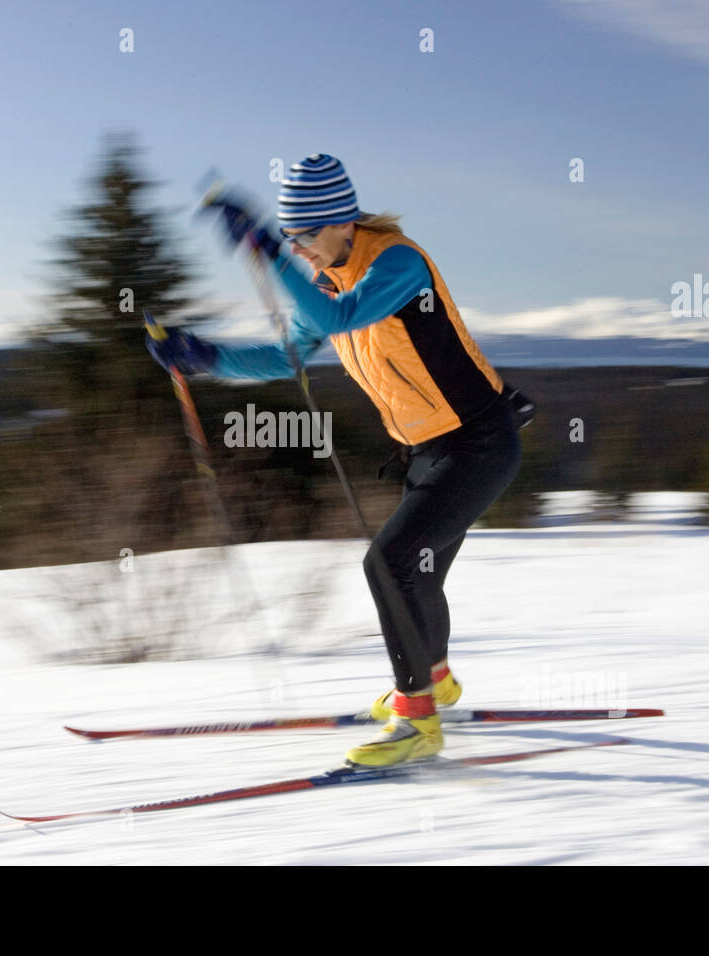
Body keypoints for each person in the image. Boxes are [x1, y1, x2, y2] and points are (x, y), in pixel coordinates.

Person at [148, 154, 532, 767]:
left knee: (390, 565)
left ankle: (417, 724)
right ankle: (435, 683)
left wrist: (265, 249)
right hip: (430, 449)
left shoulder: (397, 263)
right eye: (290, 239)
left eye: (302, 237)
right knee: (419, 571)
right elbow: (290, 356)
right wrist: (204, 356)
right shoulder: (329, 281)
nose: (298, 251)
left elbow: (343, 318)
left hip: (479, 442)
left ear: (341, 224)